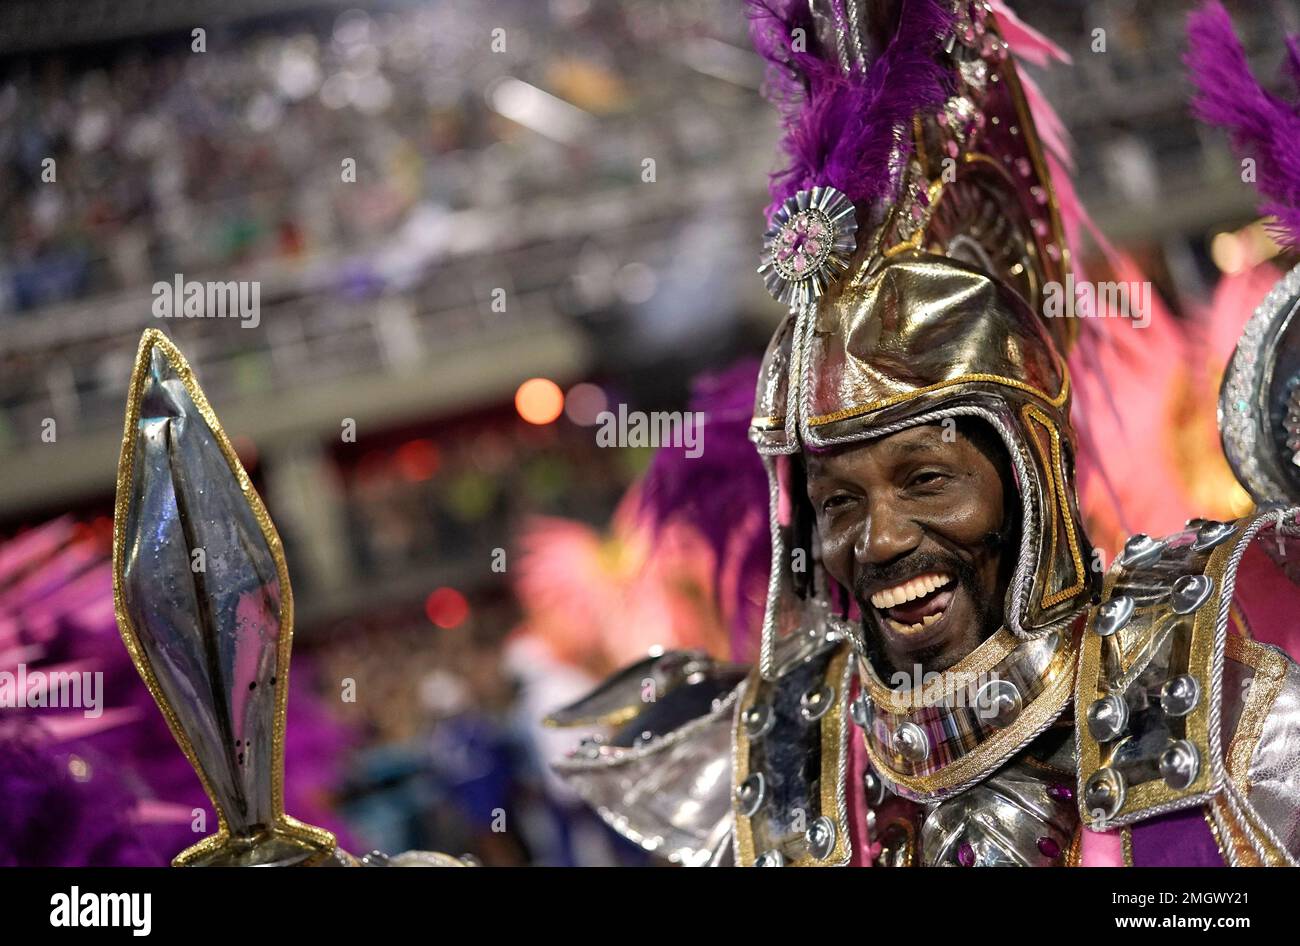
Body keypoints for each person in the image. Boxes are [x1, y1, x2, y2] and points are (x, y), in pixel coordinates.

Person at [547, 0, 1300, 866]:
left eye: (927, 480)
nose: (884, 539)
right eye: (838, 501)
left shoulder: (1227, 667)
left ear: (1028, 479)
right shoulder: (791, 764)